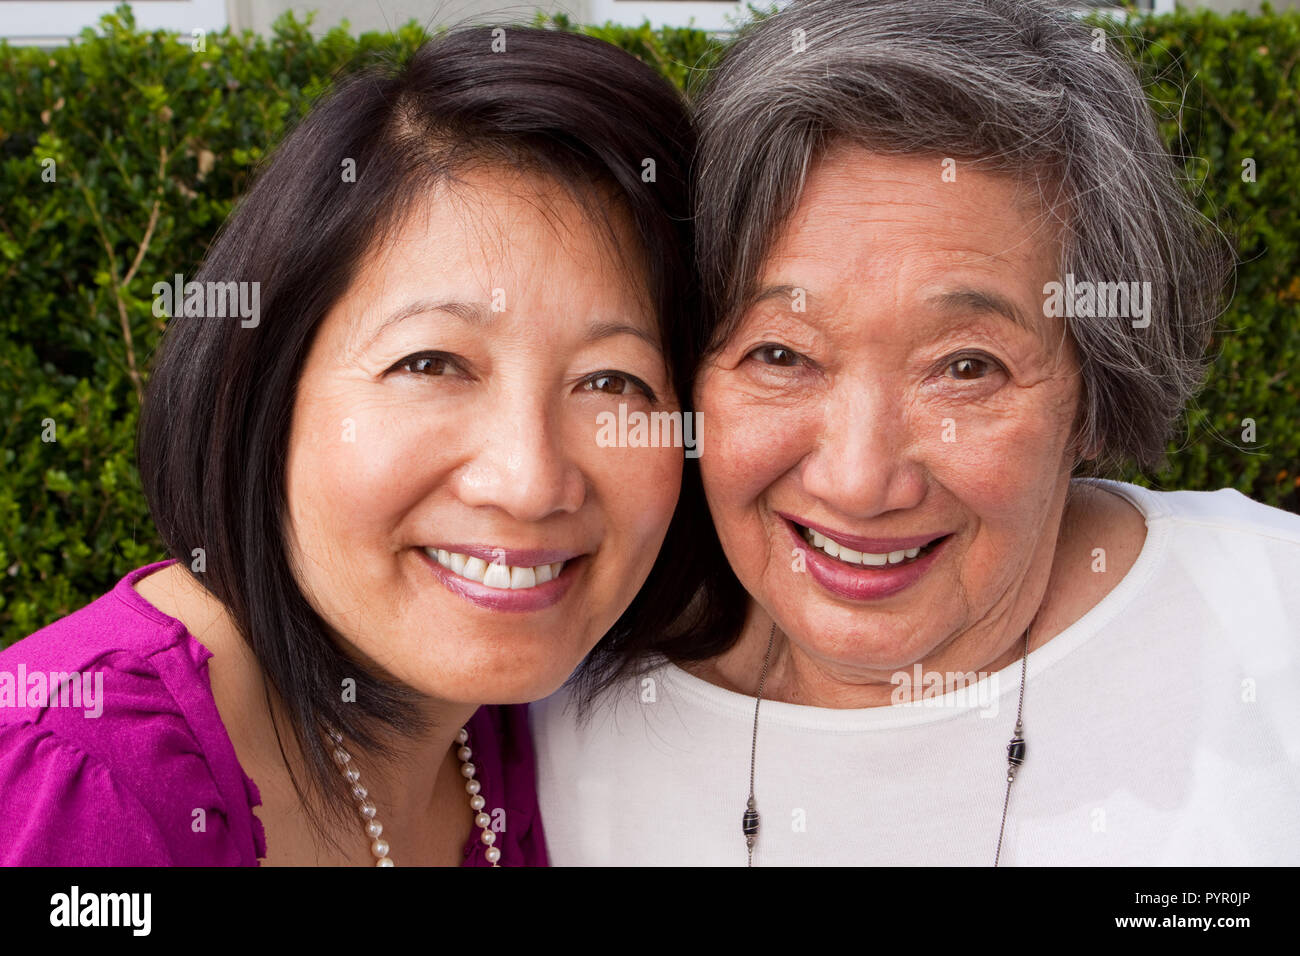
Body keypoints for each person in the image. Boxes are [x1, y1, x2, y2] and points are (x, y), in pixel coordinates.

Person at [531, 0, 1300, 865]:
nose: (858, 480)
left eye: (966, 367)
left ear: (1093, 389)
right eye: (781, 353)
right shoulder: (550, 701)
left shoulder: (1275, 621)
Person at [0, 24, 699, 866]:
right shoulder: (75, 788)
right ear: (266, 388)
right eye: (432, 362)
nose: (528, 481)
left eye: (614, 381)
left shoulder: (536, 736)